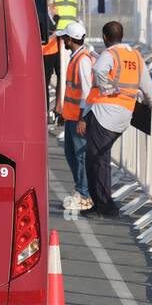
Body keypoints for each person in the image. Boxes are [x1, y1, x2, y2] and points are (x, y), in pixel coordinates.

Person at [83, 21, 152, 218]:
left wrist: (107, 87)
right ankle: (103, 202)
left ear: (105, 37)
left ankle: (104, 205)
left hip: (104, 113)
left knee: (97, 160)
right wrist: (147, 103)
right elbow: (149, 89)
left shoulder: (110, 54)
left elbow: (98, 71)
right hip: (125, 114)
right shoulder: (136, 56)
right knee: (101, 159)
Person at [58, 21, 94, 210]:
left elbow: (87, 93)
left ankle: (84, 194)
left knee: (79, 156)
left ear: (71, 39)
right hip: (72, 117)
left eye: (65, 38)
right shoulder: (77, 58)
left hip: (79, 118)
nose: (63, 40)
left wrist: (82, 118)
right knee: (72, 154)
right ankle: (82, 191)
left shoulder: (83, 61)